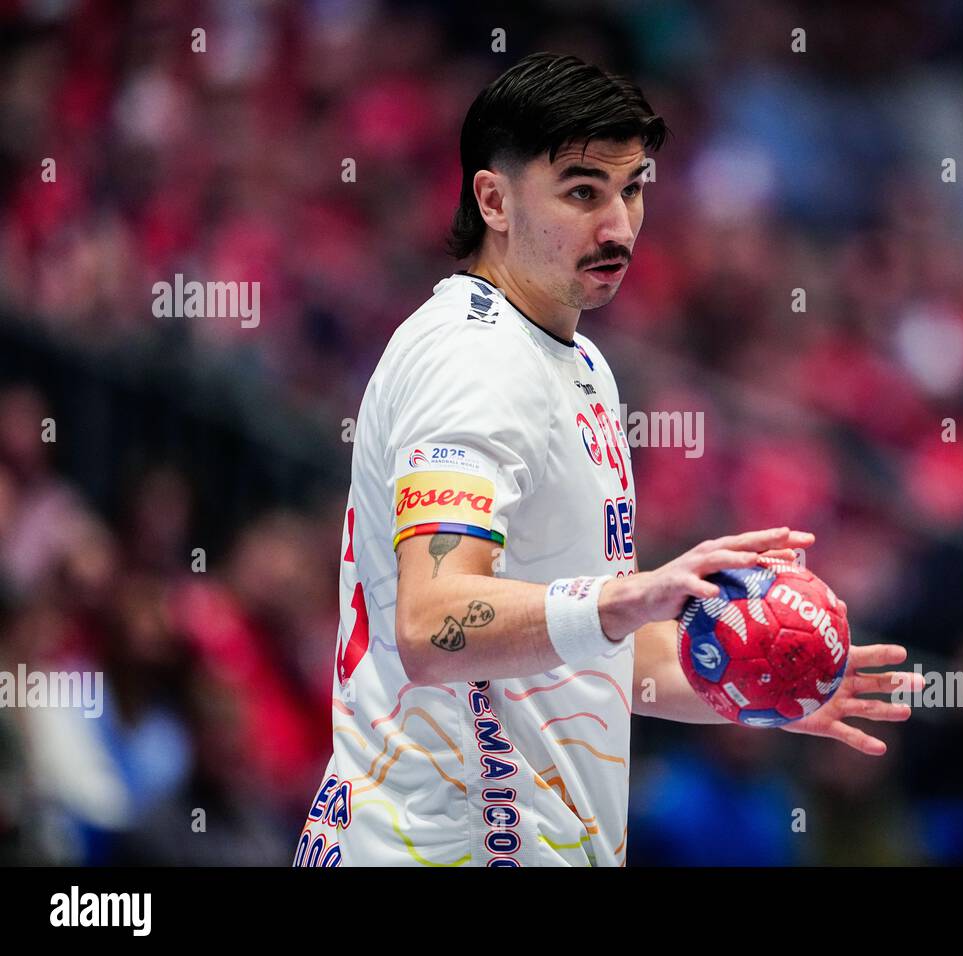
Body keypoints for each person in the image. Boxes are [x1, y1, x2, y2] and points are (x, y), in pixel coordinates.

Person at [293, 52, 916, 868]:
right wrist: (624, 597)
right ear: (494, 200)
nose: (619, 226)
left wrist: (749, 679)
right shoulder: (471, 360)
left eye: (633, 189)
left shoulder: (579, 364)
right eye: (583, 192)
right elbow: (434, 622)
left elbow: (590, 652)